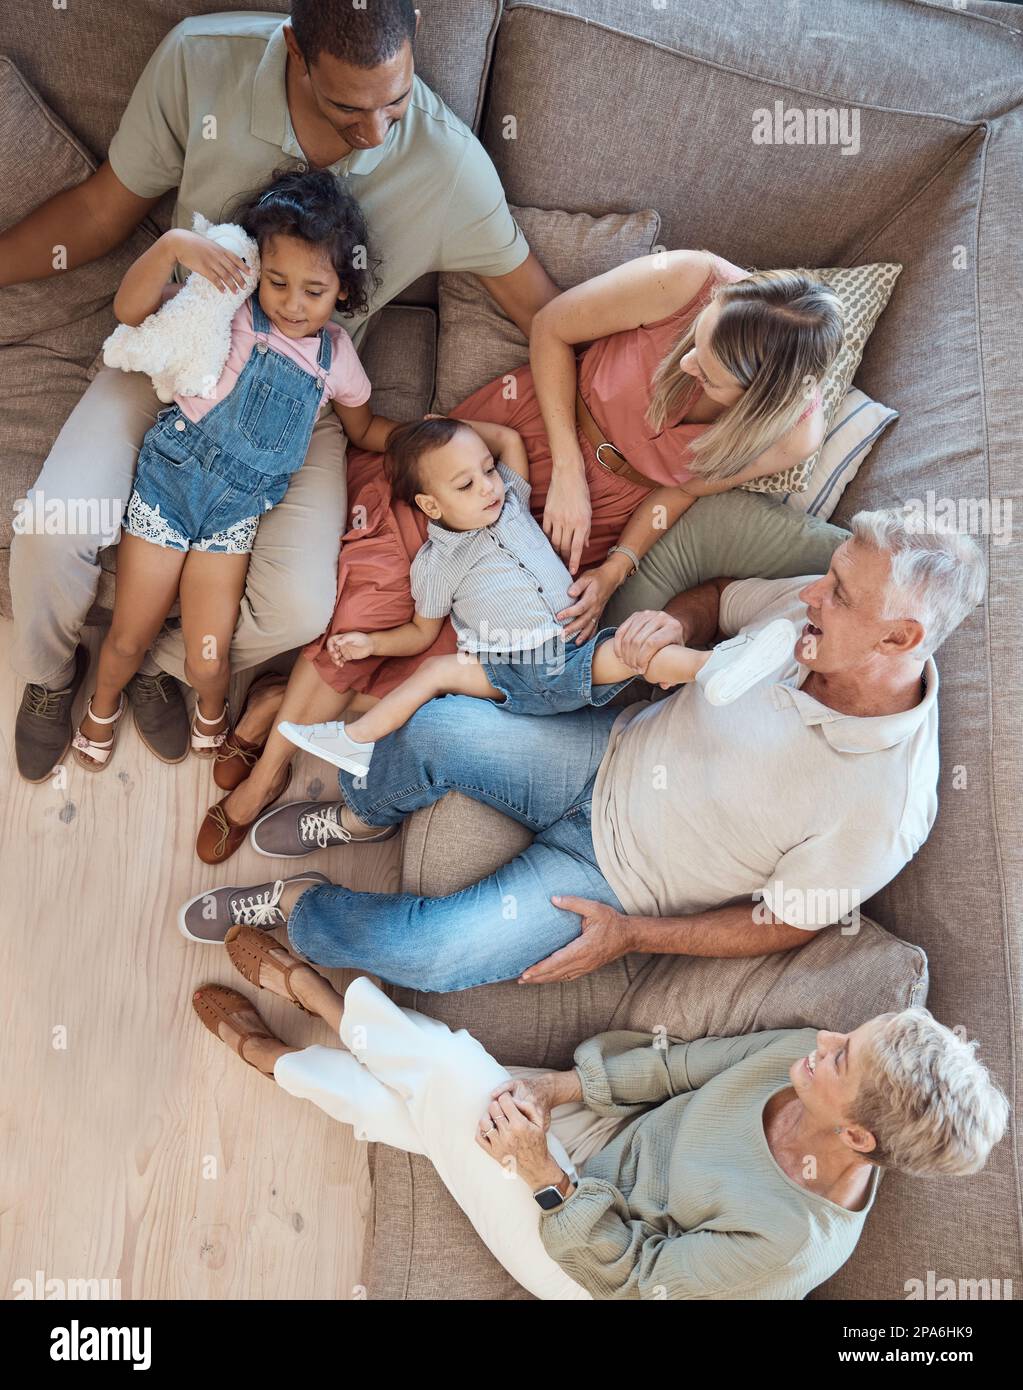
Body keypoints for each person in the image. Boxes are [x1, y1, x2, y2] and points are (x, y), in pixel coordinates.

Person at [8, 0, 559, 781]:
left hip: (302, 412)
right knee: (51, 534)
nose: (377, 131)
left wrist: (579, 450)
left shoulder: (446, 165)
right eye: (349, 109)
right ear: (295, 52)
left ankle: (159, 662)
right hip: (183, 353)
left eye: (395, 101)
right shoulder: (203, 58)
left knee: (300, 606)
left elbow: (544, 311)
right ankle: (53, 675)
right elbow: (100, 211)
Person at [196, 251, 846, 855]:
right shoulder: (689, 278)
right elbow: (552, 330)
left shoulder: (788, 438)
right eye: (694, 342)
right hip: (532, 433)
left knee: (475, 661)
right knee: (384, 588)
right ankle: (266, 777)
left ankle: (272, 709)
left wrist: (615, 564)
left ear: (760, 401)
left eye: (709, 372)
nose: (685, 367)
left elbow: (680, 491)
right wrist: (565, 468)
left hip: (606, 515)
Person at [177, 509, 986, 993]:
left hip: (616, 878)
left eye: (837, 593)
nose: (812, 591)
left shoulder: (884, 805)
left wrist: (634, 937)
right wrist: (673, 625)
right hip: (602, 752)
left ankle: (298, 909)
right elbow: (714, 600)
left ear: (900, 637)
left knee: (429, 956)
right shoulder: (810, 617)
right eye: (829, 574)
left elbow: (782, 925)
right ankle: (362, 815)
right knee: (431, 724)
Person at [192, 933, 1009, 1300]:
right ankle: (281, 1062)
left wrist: (543, 1176)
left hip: (585, 1259)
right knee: (434, 1107)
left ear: (857, 1136)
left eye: (840, 1057)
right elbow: (671, 1067)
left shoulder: (789, 1249)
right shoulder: (804, 1059)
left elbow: (636, 1279)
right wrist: (553, 1091)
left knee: (446, 1070)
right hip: (606, 1141)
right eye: (844, 1036)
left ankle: (317, 998)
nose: (823, 1040)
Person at [70, 169, 401, 771]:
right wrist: (172, 246)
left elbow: (365, 431)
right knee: (127, 636)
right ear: (255, 271)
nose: (293, 304)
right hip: (171, 484)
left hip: (235, 515)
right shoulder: (228, 309)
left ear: (343, 294)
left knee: (208, 656)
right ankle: (103, 700)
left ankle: (213, 709)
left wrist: (419, 435)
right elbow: (130, 310)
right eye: (277, 282)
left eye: (314, 291)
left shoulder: (338, 360)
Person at [276, 416, 798, 777]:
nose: (487, 486)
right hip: (520, 663)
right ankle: (715, 666)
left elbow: (505, 439)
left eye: (485, 470)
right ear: (430, 505)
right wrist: (371, 644)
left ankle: (718, 668)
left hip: (555, 656)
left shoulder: (512, 501)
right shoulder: (435, 565)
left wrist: (449, 434)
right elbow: (419, 633)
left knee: (629, 647)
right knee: (438, 671)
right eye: (466, 485)